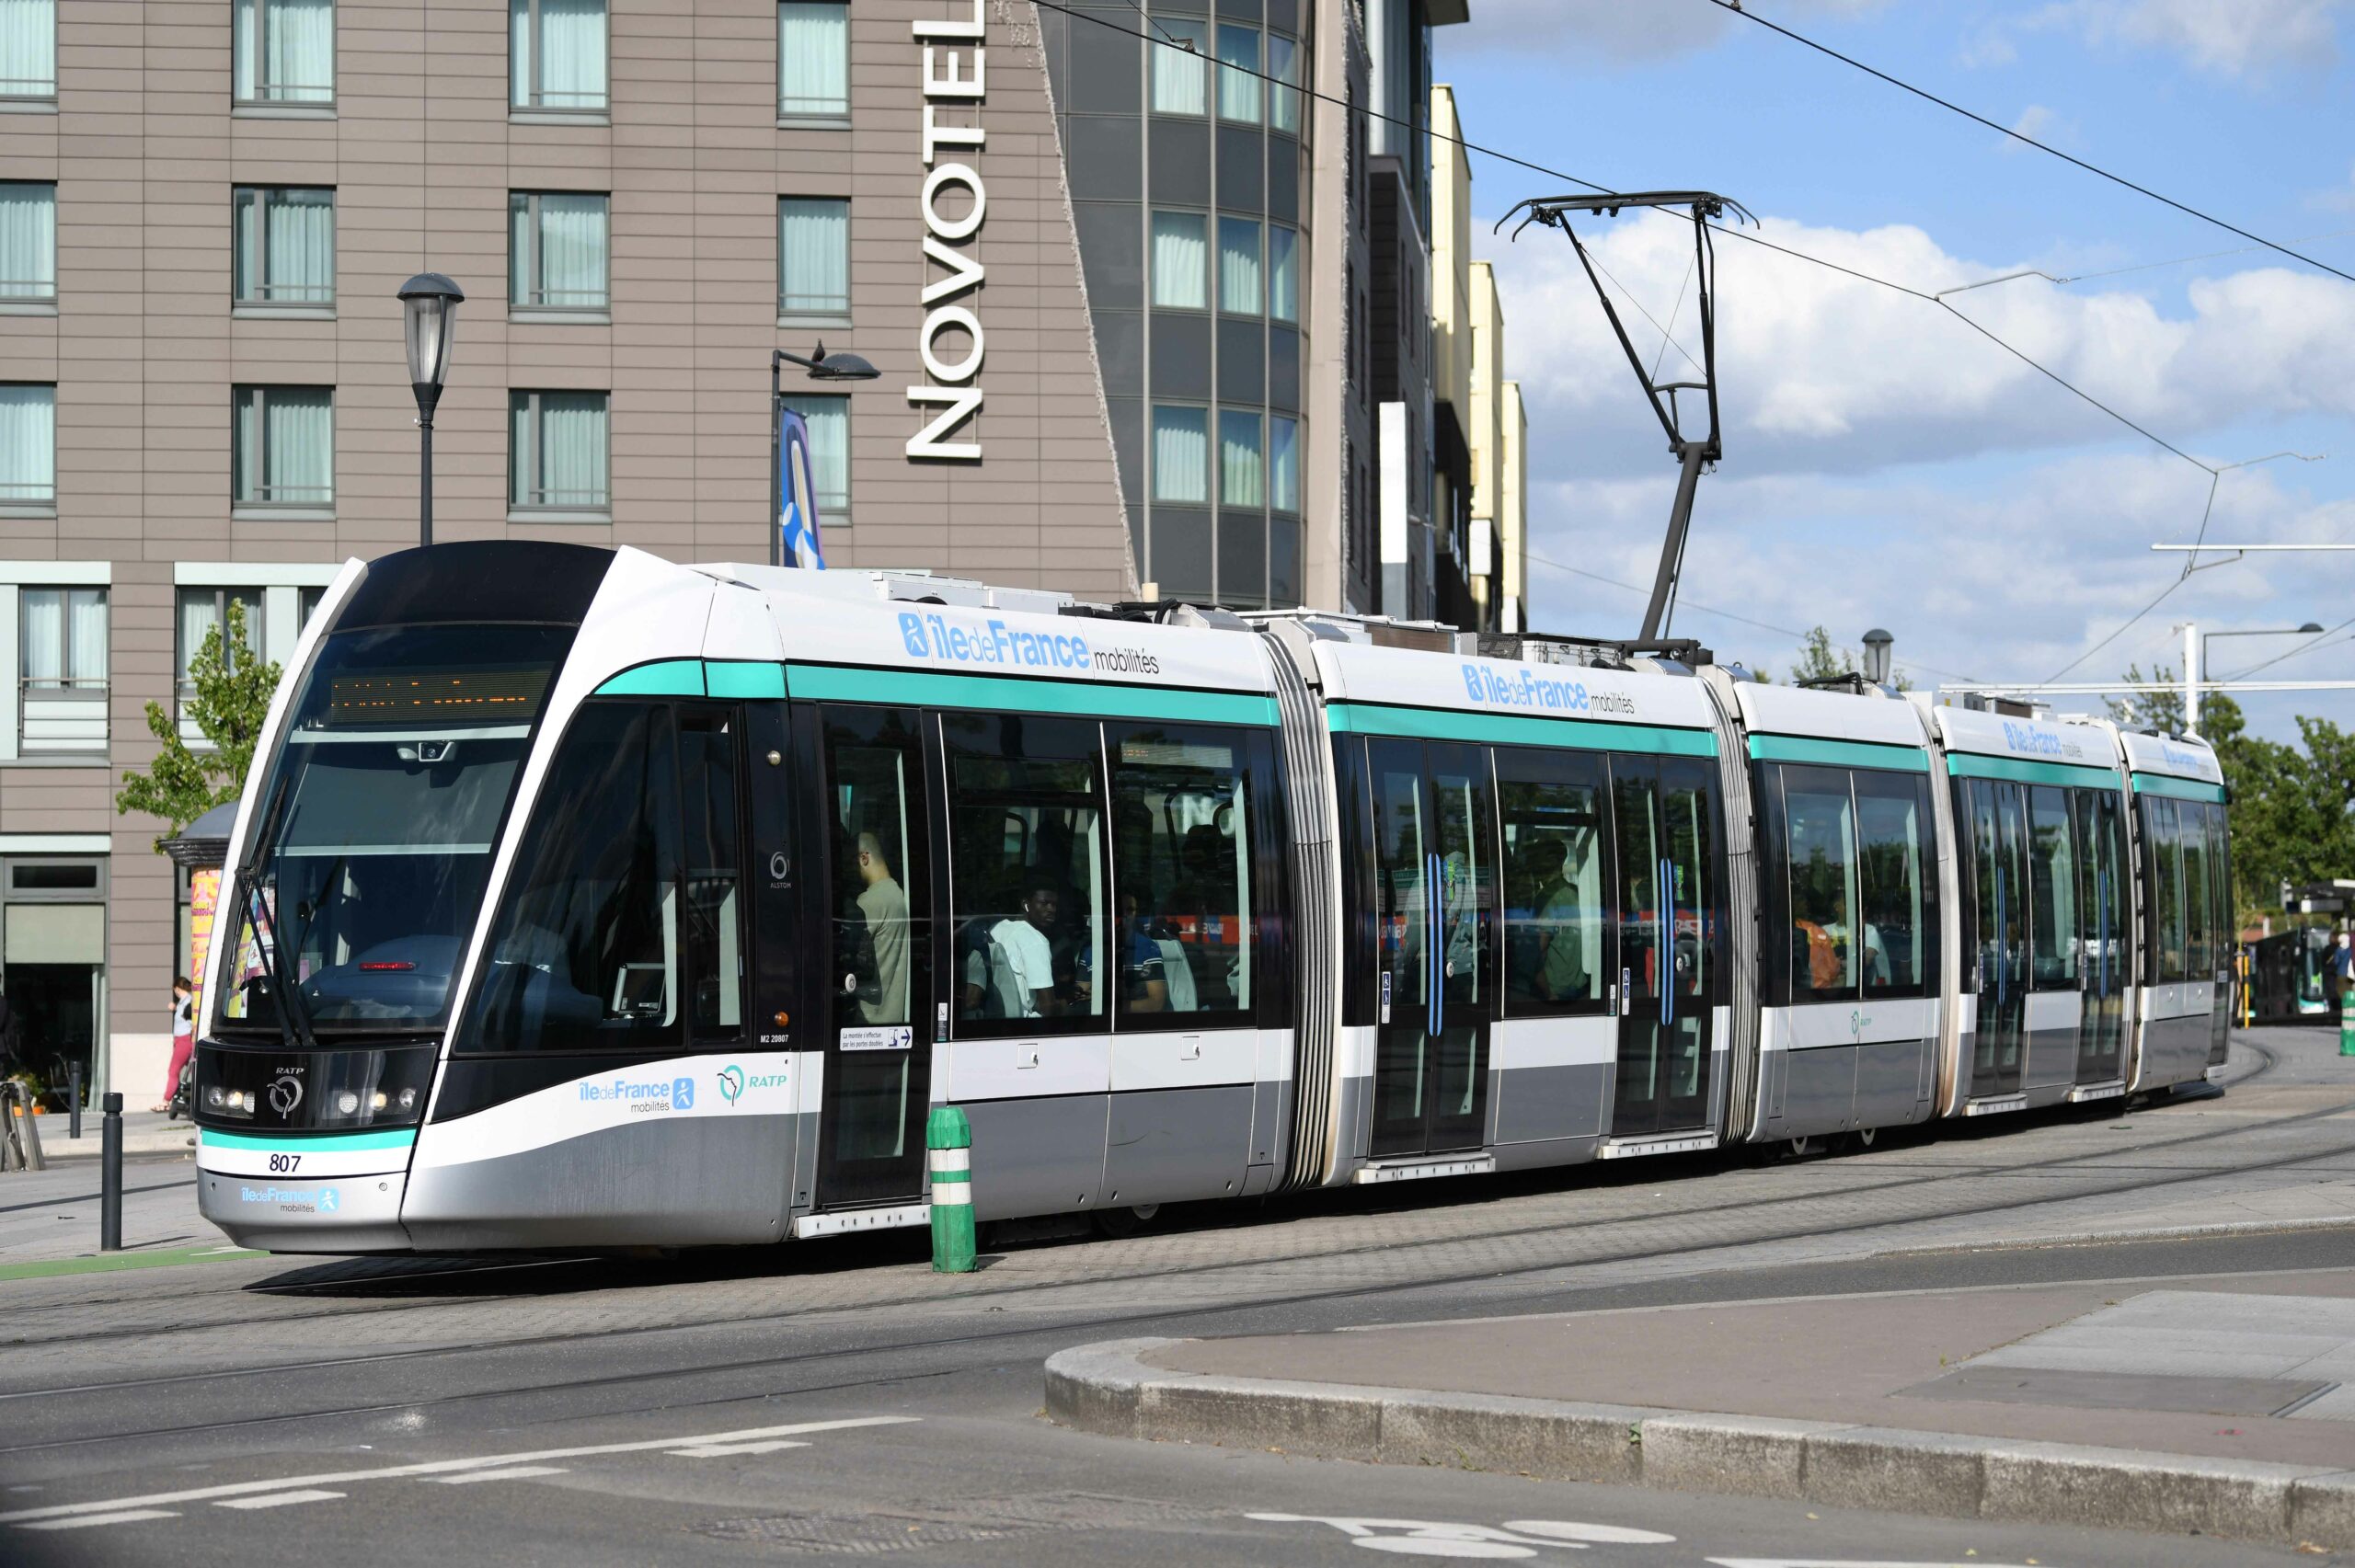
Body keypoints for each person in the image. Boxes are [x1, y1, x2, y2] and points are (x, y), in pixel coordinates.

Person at [966, 878, 1089, 1020]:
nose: (1051, 910)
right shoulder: (1035, 940)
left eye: (1054, 905)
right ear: (1026, 905)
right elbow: (1048, 1009)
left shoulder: (999, 928)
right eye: (1044, 903)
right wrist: (1069, 1002)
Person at [854, 832, 910, 1025]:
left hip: (867, 1028)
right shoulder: (899, 895)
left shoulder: (870, 902)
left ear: (864, 858)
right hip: (895, 1022)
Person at [155, 976, 194, 1113]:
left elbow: (191, 1021)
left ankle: (166, 1101)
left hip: (185, 1041)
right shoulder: (183, 1003)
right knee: (193, 1072)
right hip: (182, 1041)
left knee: (173, 1071)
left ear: (177, 989)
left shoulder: (188, 1003)